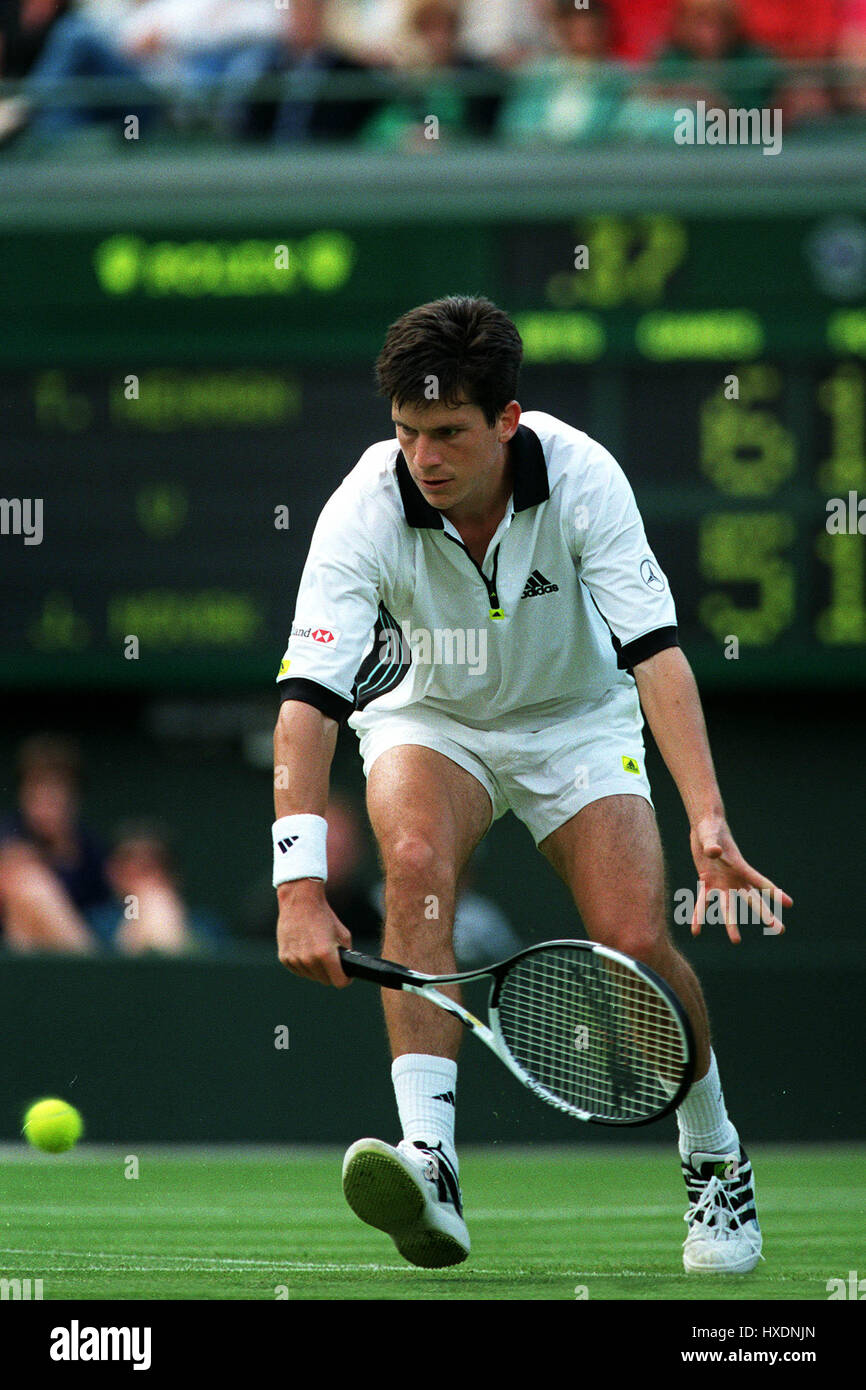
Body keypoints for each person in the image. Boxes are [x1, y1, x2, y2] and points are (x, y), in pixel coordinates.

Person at [272, 295, 791, 1271]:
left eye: (448, 434)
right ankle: (430, 1162)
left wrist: (707, 819)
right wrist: (297, 885)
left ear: (505, 421)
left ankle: (713, 1155)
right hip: (433, 718)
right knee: (414, 858)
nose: (423, 457)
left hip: (575, 723)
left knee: (633, 939)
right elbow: (307, 703)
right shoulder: (364, 507)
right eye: (406, 432)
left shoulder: (584, 474)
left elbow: (655, 653)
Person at [0, 733, 109, 951]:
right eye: (37, 792)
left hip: (79, 950)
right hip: (16, 961)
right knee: (29, 885)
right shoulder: (7, 834)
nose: (46, 804)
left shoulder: (90, 848)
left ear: (74, 796)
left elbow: (115, 911)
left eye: (55, 793)